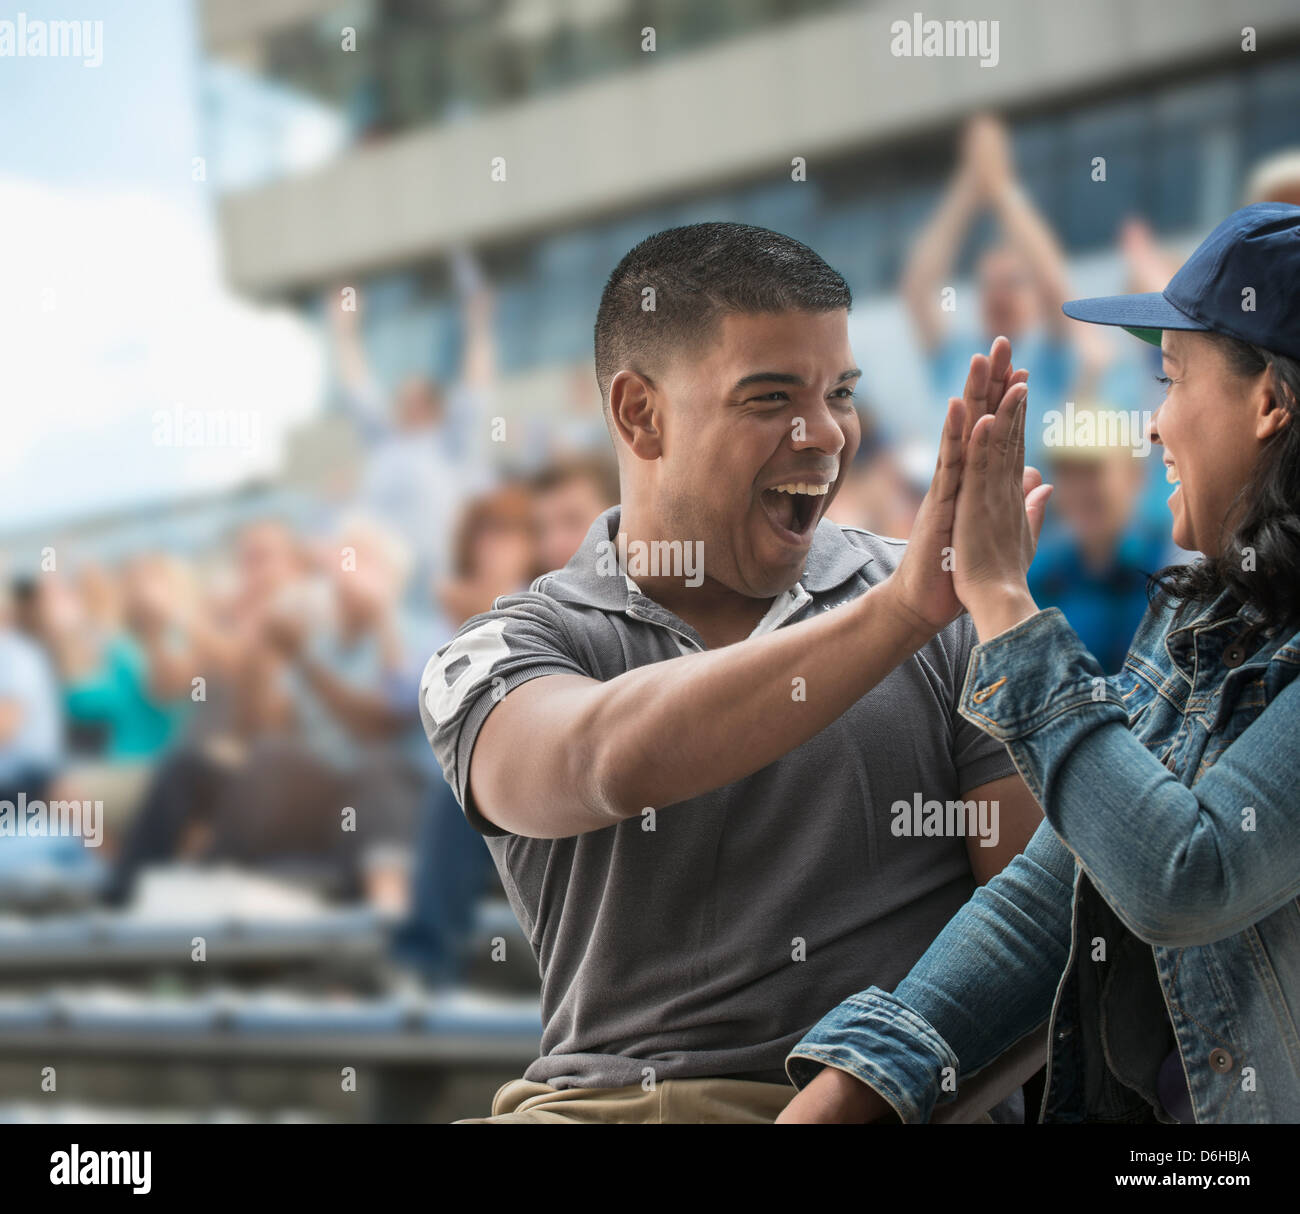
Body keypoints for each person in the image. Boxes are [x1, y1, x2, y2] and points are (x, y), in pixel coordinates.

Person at [419, 222, 1047, 1123]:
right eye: (770, 397)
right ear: (641, 414)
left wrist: (866, 1097)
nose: (827, 433)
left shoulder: (957, 610)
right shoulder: (502, 650)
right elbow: (602, 761)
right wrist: (901, 613)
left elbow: (1040, 936)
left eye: (841, 392)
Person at [778, 203, 1300, 1125]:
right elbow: (1048, 895)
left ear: (1270, 404)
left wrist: (1005, 606)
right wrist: (846, 1095)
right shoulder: (1207, 615)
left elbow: (1188, 877)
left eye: (1172, 380)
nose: (1153, 426)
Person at [901, 114, 1093, 467]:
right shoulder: (957, 355)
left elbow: (1054, 285)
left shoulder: (1048, 356)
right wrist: (968, 185)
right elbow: (917, 289)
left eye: (1011, 283)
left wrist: (1002, 188)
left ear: (1033, 298)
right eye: (988, 285)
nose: (997, 294)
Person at [1029, 401, 1175, 674]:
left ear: (1135, 477)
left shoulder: (1171, 573)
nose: (1080, 490)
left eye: (1092, 471)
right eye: (1068, 473)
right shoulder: (1040, 577)